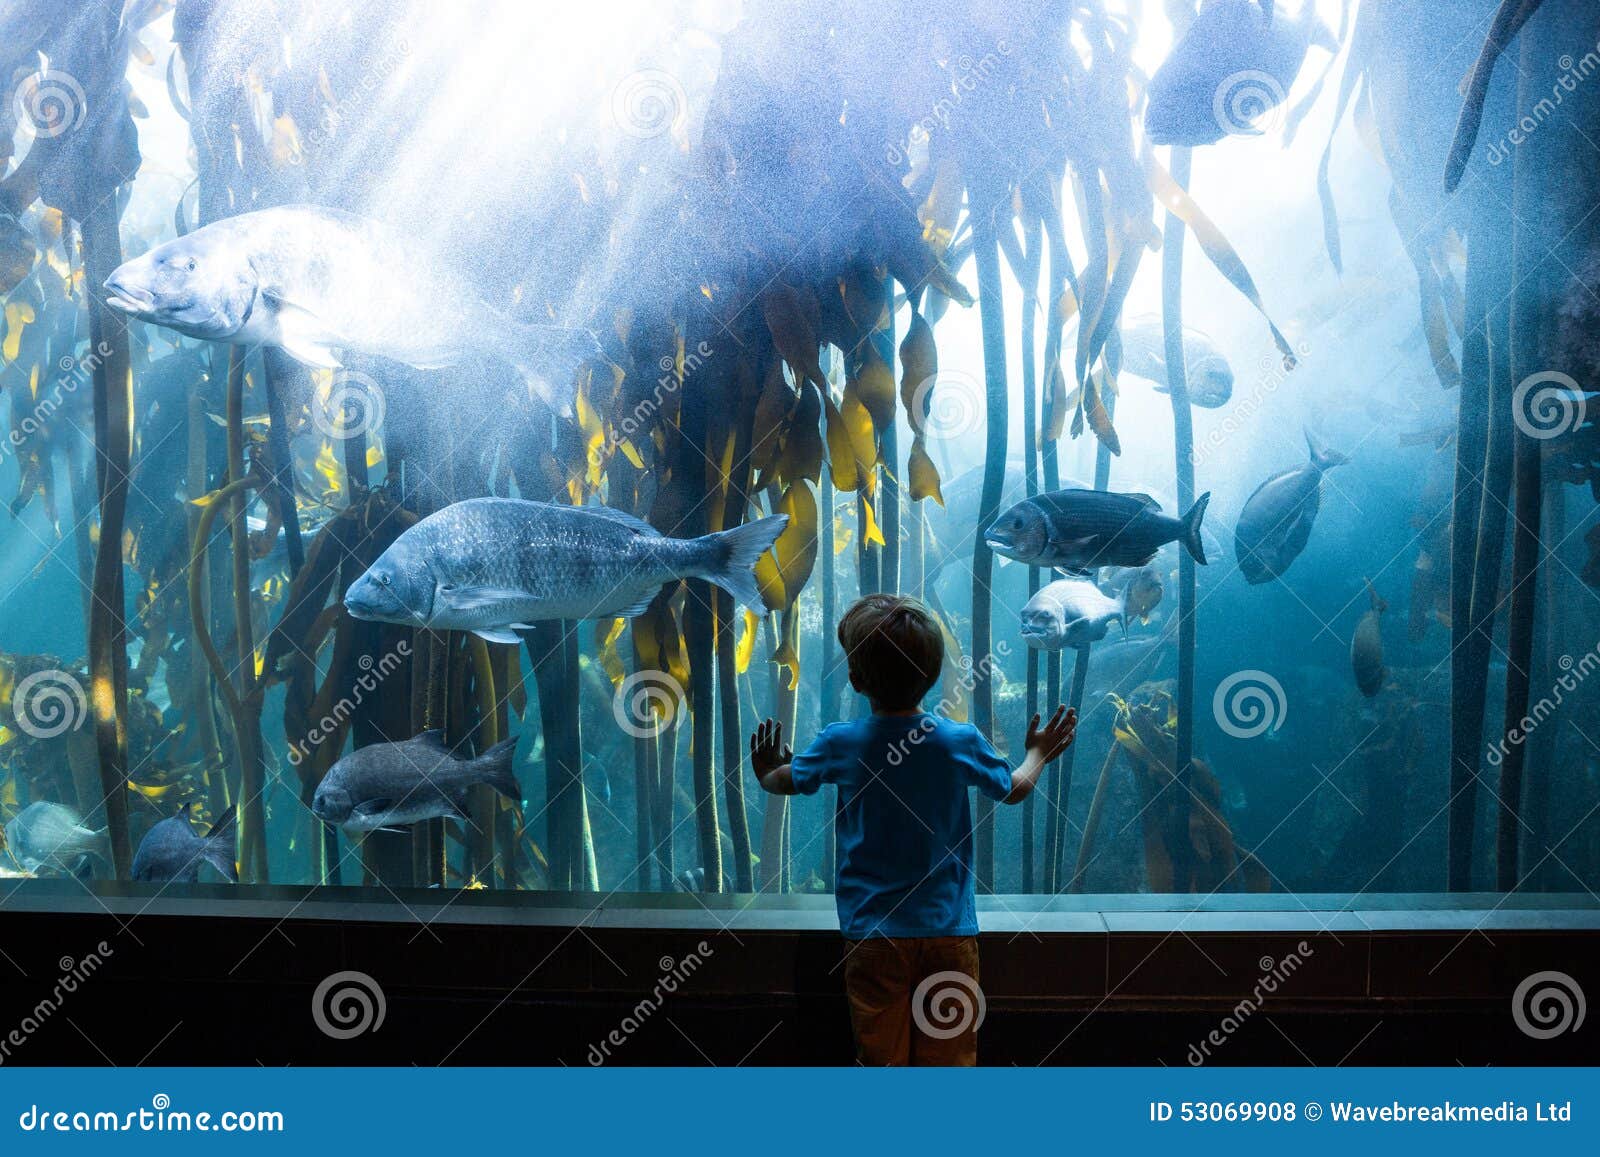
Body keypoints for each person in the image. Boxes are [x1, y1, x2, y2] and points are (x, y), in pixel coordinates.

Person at [749, 593, 1076, 1065]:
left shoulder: (841, 742)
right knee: (950, 1056)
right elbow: (1015, 788)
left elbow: (786, 780)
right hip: (948, 933)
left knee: (881, 1057)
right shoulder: (957, 740)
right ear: (934, 675)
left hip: (873, 938)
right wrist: (1038, 753)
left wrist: (766, 770)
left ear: (857, 679)